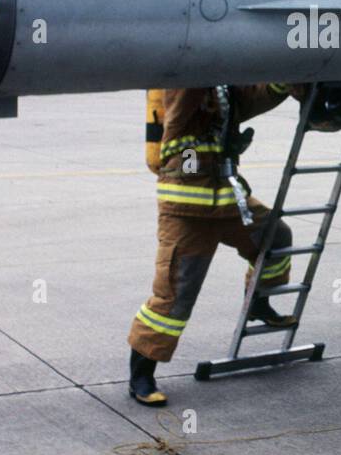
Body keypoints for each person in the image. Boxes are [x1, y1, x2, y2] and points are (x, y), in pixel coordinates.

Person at [128, 83, 303, 406]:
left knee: (277, 238)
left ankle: (258, 304)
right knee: (174, 298)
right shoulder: (183, 88)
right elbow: (187, 89)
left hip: (227, 201)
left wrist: (281, 82)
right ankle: (141, 373)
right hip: (186, 210)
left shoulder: (224, 92)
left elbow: (253, 98)